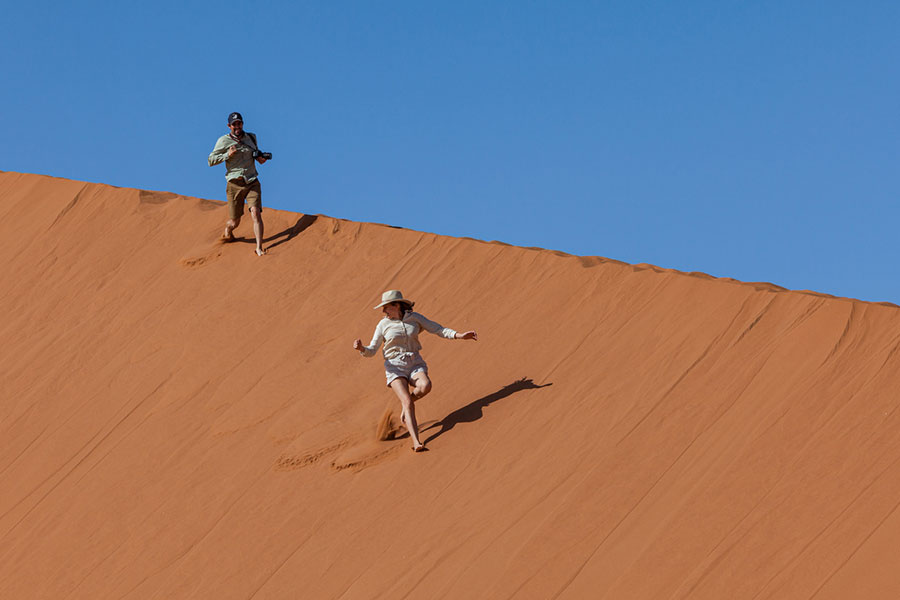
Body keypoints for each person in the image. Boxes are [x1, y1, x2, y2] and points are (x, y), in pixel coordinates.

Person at [353, 290, 477, 452]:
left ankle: (406, 406)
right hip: (395, 366)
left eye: (386, 307)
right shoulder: (383, 325)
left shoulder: (415, 318)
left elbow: (438, 329)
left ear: (397, 305)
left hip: (414, 362)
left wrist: (459, 335)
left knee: (425, 386)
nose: (383, 312)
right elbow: (372, 350)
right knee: (407, 401)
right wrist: (362, 348)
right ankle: (416, 441)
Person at [207, 111, 268, 256]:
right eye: (234, 124)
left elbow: (259, 159)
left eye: (239, 123)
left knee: (256, 213)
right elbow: (210, 160)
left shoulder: (251, 138)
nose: (237, 126)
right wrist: (227, 155)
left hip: (252, 181)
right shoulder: (223, 141)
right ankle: (228, 231)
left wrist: (261, 158)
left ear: (242, 124)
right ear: (229, 126)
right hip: (235, 185)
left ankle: (259, 248)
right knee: (235, 221)